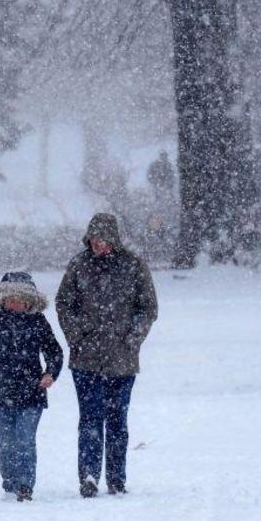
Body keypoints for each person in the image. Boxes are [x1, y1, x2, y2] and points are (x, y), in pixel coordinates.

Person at [56, 213, 158, 497]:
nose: (98, 245)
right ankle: (89, 476)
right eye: (94, 239)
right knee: (89, 419)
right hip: (85, 359)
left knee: (117, 422)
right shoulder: (78, 265)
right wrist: (77, 336)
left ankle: (116, 478)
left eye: (103, 239)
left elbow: (148, 308)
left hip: (122, 361)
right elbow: (64, 304)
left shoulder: (134, 265)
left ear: (113, 238)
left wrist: (131, 340)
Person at [0, 271, 64, 502]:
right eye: (11, 298)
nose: (15, 303)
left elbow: (54, 352)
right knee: (6, 442)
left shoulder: (37, 322)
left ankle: (25, 486)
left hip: (32, 392)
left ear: (30, 301)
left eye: (21, 298)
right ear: (1, 298)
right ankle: (10, 483)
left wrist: (50, 374)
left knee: (25, 440)